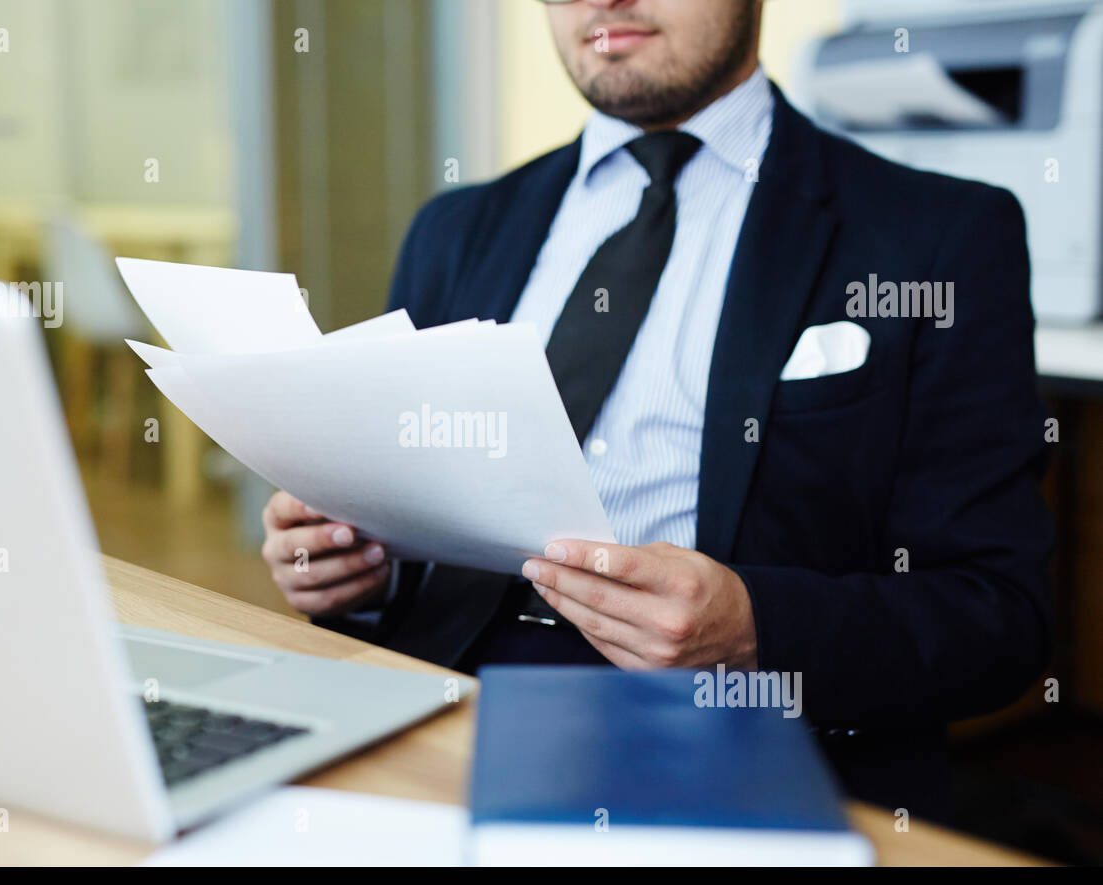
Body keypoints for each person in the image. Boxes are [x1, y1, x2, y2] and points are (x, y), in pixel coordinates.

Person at [259, 0, 1052, 820]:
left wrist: (755, 631)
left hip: (736, 735)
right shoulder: (454, 229)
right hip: (437, 700)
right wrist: (358, 573)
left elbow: (1000, 617)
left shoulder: (940, 236)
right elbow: (408, 512)